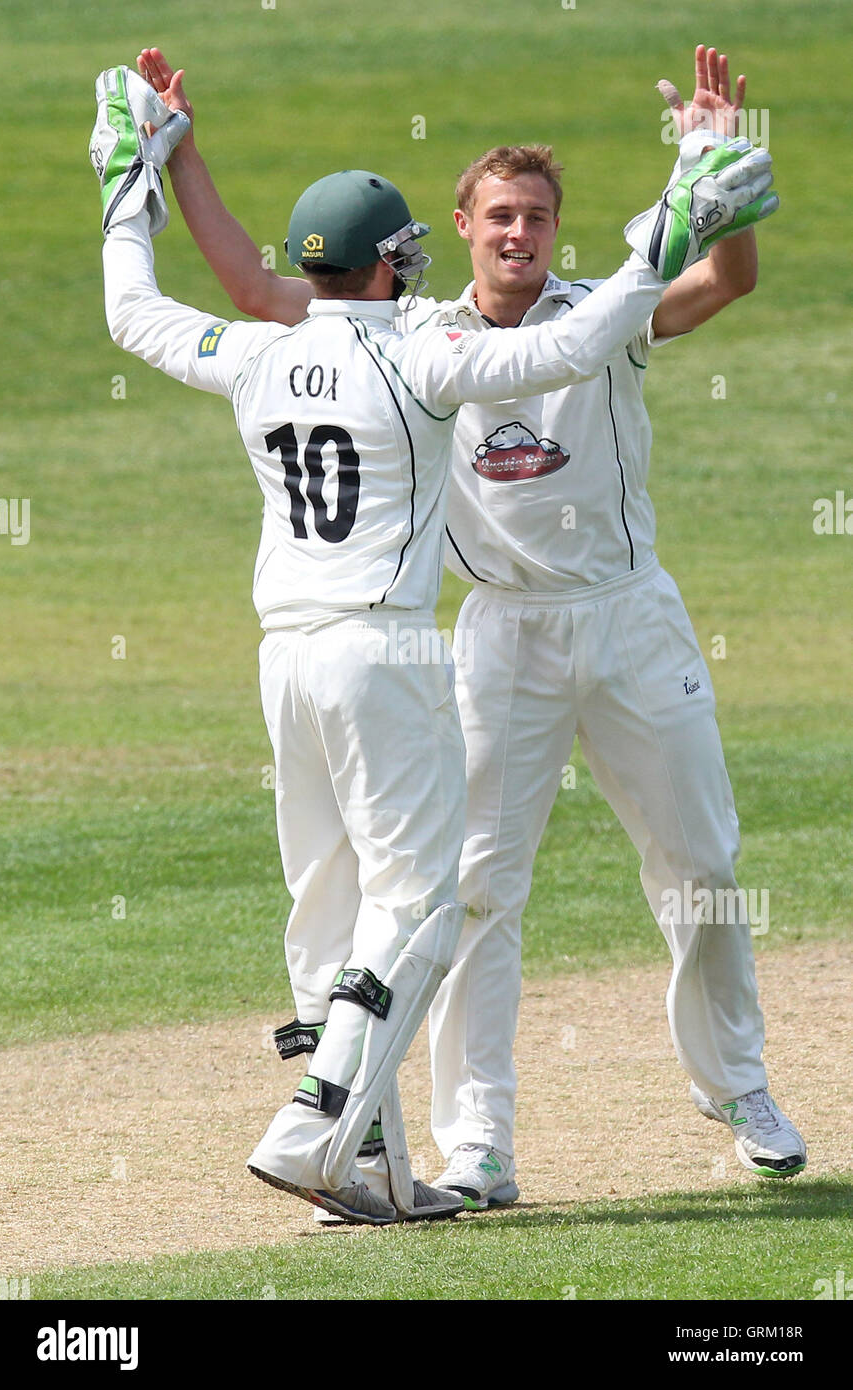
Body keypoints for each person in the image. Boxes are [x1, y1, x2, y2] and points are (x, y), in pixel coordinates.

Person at [91, 63, 769, 1224]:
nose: (511, 234)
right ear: (420, 248)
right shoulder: (423, 350)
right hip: (415, 649)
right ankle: (359, 1129)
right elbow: (562, 348)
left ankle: (371, 1154)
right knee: (425, 905)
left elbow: (143, 307)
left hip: (310, 657)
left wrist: (132, 176)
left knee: (338, 905)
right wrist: (684, 198)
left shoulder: (262, 353)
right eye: (478, 222)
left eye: (531, 217)